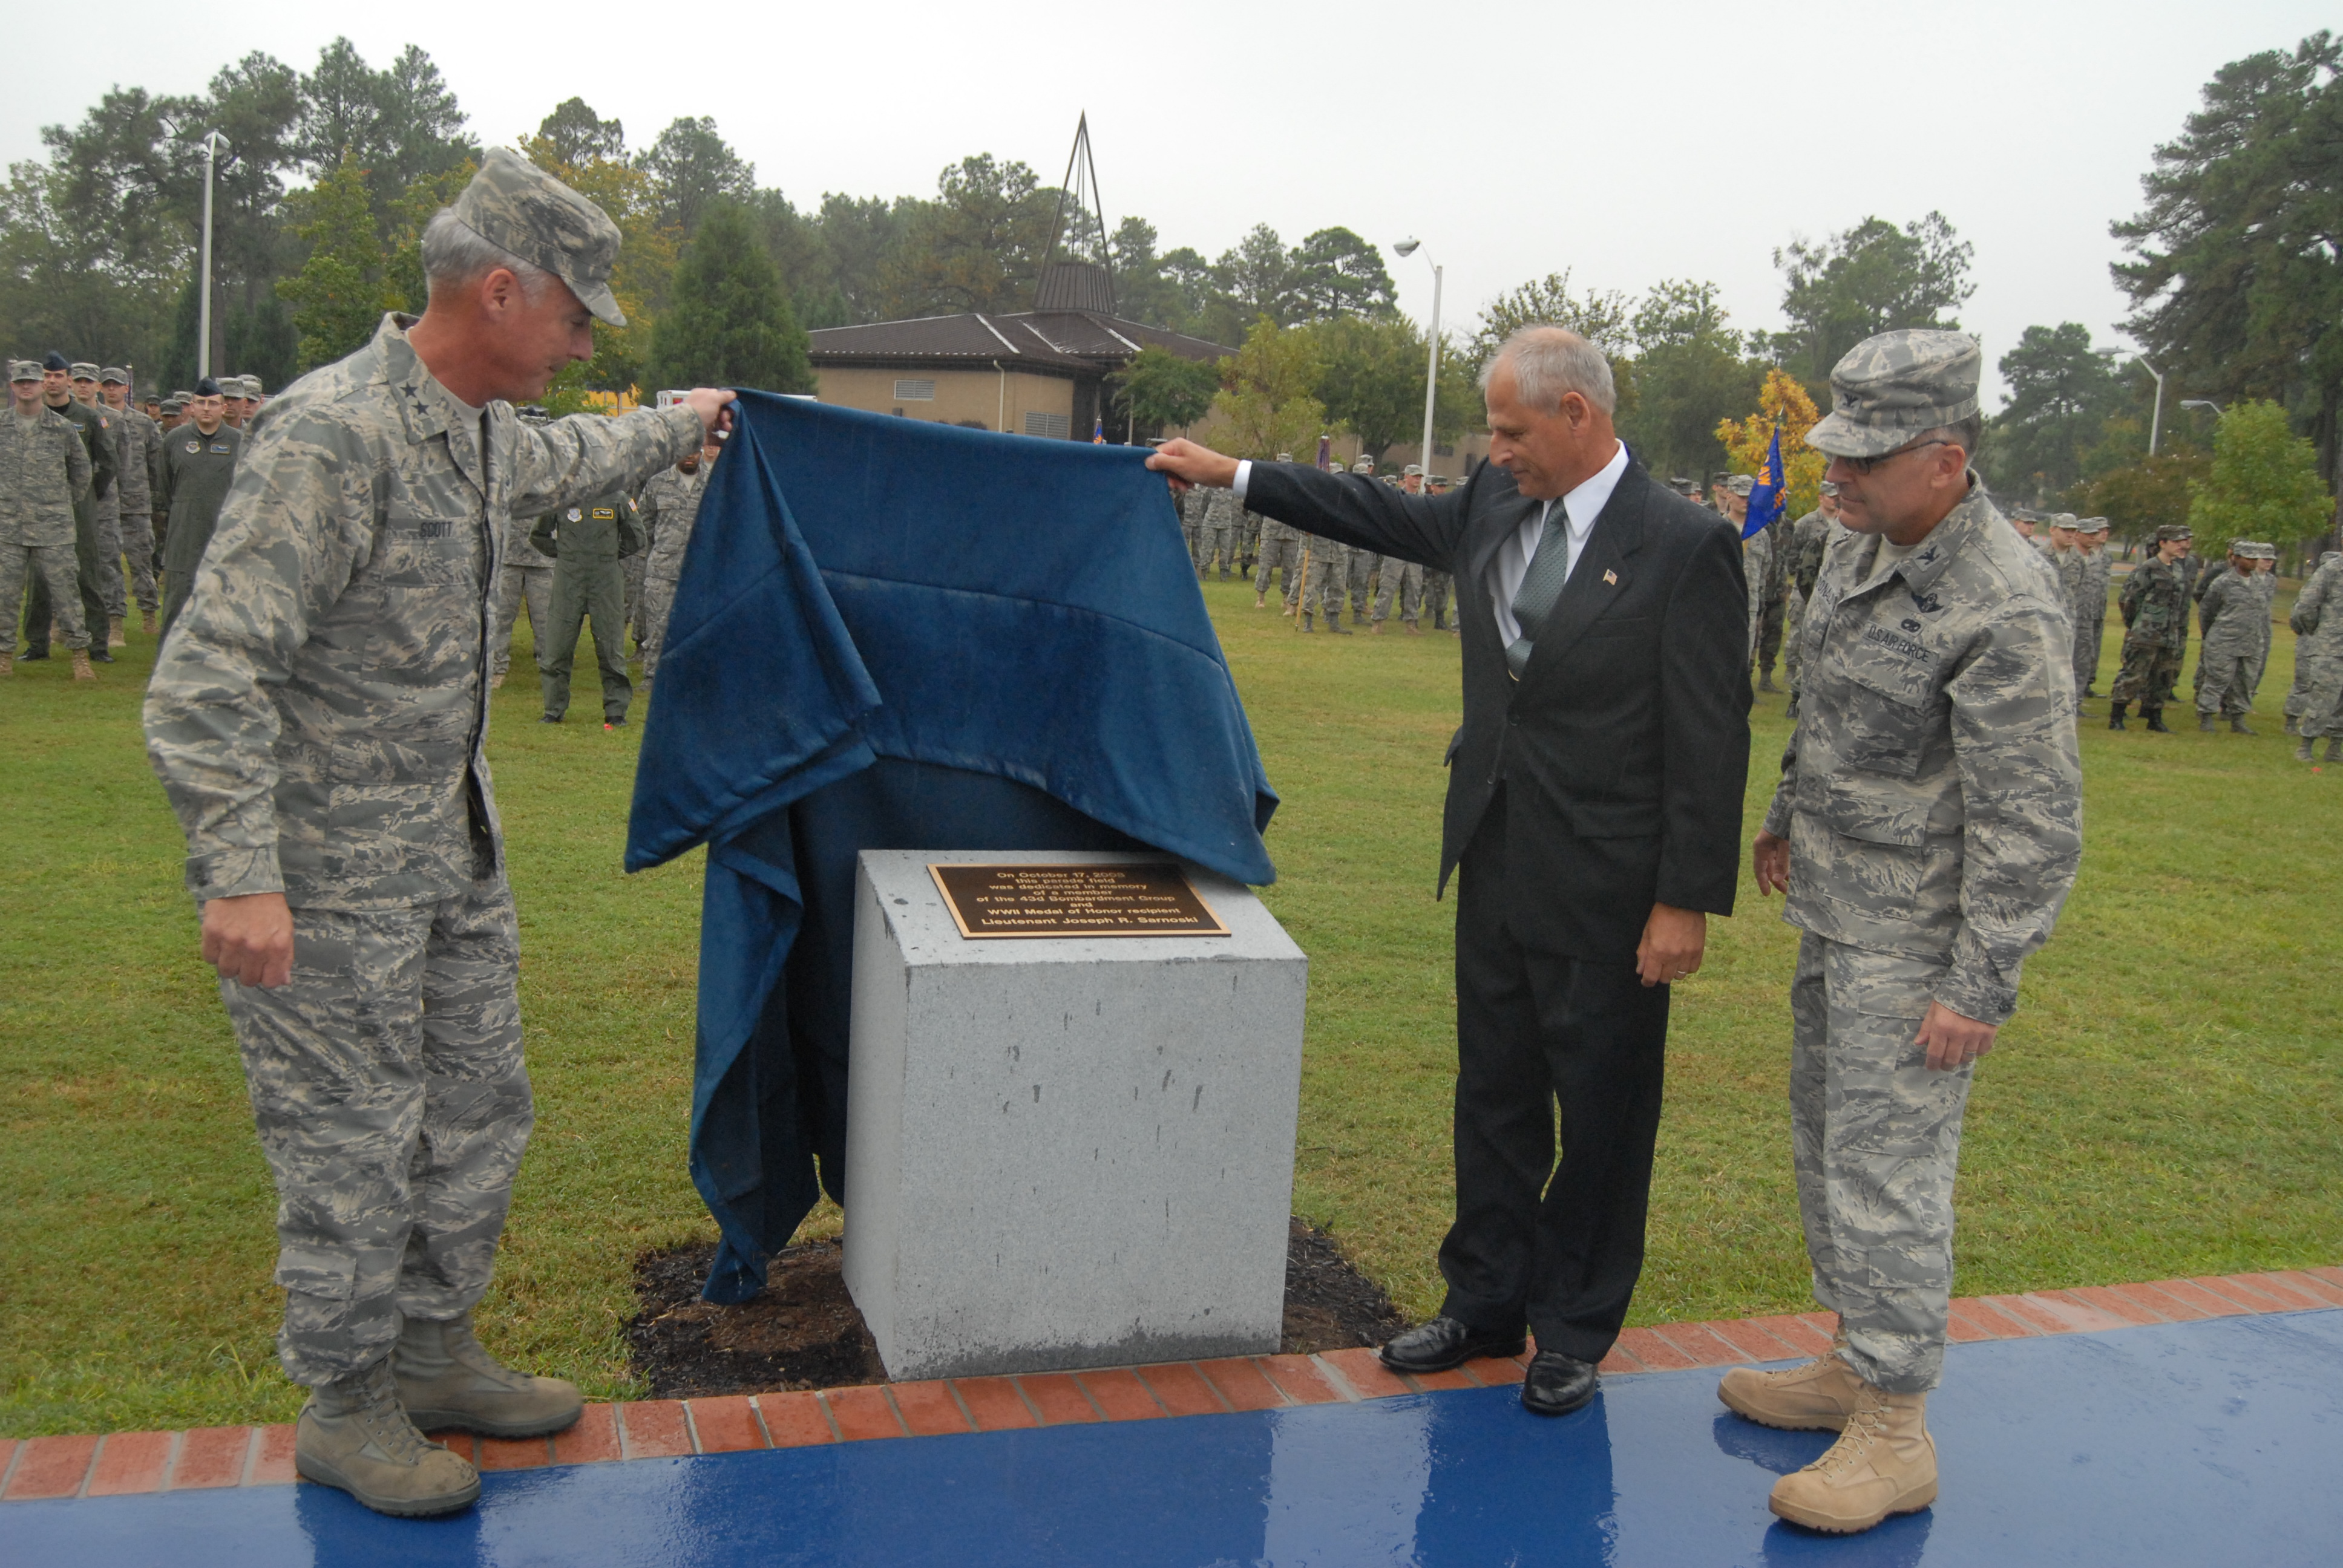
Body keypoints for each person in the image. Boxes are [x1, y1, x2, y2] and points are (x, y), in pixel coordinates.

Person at [143, 145, 736, 1518]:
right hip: (326, 879)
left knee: (475, 1110)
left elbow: (570, 452)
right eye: (574, 315)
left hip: (447, 856)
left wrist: (683, 420)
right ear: (499, 290)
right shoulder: (332, 435)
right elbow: (209, 675)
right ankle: (346, 1404)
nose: (583, 343)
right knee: (350, 1141)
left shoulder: (473, 425)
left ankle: (429, 1349)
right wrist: (239, 876)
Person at [1148, 325, 1751, 1420]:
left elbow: (1711, 735)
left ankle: (1573, 1327)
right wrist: (1232, 472)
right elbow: (1372, 511)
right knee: (1494, 1093)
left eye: (1512, 430)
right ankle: (1484, 1302)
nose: (1496, 449)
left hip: (1612, 886)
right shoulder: (1494, 503)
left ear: (1578, 414)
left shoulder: (1683, 542)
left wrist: (1683, 899)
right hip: (1496, 851)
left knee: (1603, 1113)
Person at [1733, 330, 2080, 1535]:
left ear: (1943, 458)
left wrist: (1978, 982)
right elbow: (1826, 702)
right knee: (1828, 1146)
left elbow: (2032, 816)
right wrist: (1786, 811)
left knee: (1890, 1174)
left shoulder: (2003, 599)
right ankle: (1852, 1361)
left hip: (1919, 942)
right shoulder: (1857, 543)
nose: (1835, 480)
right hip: (1838, 907)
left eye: (1863, 461)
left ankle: (1894, 1428)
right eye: (1834, 455)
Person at [1, 359, 97, 679]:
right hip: (9, 527)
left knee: (67, 594)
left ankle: (80, 656)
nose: (26, 387)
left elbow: (82, 471)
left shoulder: (61, 427)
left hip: (54, 528)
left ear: (42, 385)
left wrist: (61, 503)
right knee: (5, 595)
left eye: (32, 381)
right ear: (13, 387)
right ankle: (3, 657)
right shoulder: (2, 425)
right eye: (20, 382)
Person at [21, 353, 117, 666]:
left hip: (78, 506)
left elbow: (108, 461)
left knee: (87, 572)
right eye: (47, 376)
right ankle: (37, 643)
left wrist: (87, 494)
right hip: (39, 506)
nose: (52, 381)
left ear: (69, 381)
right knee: (39, 578)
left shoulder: (88, 417)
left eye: (58, 376)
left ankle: (98, 643)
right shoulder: (32, 415)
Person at [529, 484, 643, 728]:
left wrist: (608, 555)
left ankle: (616, 711)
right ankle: (553, 709)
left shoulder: (618, 498)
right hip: (569, 579)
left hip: (606, 581)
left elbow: (637, 538)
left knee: (611, 648)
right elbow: (538, 535)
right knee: (558, 646)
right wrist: (565, 553)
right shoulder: (560, 497)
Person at [154, 381, 243, 635]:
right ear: (191, 407)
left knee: (224, 604)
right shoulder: (174, 440)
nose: (206, 408)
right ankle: (171, 655)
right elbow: (165, 487)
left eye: (213, 404)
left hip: (224, 534)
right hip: (184, 534)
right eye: (201, 403)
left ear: (223, 408)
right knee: (178, 601)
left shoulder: (239, 441)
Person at [487, 407, 560, 690]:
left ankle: (548, 670)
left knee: (546, 620)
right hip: (508, 555)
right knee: (501, 617)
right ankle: (496, 668)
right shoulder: (504, 467)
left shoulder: (553, 471)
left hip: (543, 558)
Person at [636, 439, 718, 690]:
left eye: (695, 452)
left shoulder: (715, 483)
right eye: (685, 452)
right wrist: (664, 544)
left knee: (699, 626)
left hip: (701, 571)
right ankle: (653, 677)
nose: (690, 457)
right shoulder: (658, 483)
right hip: (663, 571)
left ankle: (695, 679)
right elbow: (643, 522)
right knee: (658, 627)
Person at [70, 362, 133, 647]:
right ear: (71, 383)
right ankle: (63, 623)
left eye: (89, 381)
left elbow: (121, 464)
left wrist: (97, 491)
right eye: (78, 380)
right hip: (68, 503)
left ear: (97, 386)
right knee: (66, 565)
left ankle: (115, 623)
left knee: (108, 563)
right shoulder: (60, 416)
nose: (83, 386)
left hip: (104, 501)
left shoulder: (115, 420)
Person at [2109, 525, 2193, 731]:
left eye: (2181, 542)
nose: (2180, 546)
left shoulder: (2178, 569)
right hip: (2147, 632)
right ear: (2162, 543)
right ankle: (2117, 717)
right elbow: (2130, 599)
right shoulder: (2149, 568)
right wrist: (2137, 624)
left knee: (2163, 677)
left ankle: (2154, 718)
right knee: (2134, 674)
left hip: (2169, 633)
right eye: (2175, 542)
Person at [101, 368, 164, 635]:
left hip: (136, 505)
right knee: (108, 567)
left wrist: (157, 501)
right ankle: (114, 621)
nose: (112, 389)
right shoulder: (97, 419)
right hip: (105, 504)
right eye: (107, 385)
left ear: (126, 389)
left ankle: (149, 615)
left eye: (116, 385)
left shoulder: (144, 423)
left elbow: (157, 465)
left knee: (142, 564)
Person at [1781, 481, 1841, 718]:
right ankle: (1795, 697)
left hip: (1838, 601)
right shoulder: (1813, 530)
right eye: (1831, 497)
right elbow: (1802, 568)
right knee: (1806, 645)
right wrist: (1814, 600)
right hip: (1816, 596)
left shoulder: (1854, 533)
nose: (1835, 501)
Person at [2194, 543, 2263, 733]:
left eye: (2255, 559)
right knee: (2217, 680)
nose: (2253, 562)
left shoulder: (2259, 582)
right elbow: (2207, 610)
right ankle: (2207, 716)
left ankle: (2238, 719)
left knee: (2245, 683)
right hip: (2224, 641)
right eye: (2248, 558)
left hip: (2250, 643)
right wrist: (2211, 635)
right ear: (2237, 558)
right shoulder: (2223, 582)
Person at [2291, 549, 2343, 760]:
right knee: (2323, 698)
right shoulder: (2332, 570)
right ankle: (2306, 746)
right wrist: (2319, 632)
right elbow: (2306, 606)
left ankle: (2335, 748)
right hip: (2331, 648)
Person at [1371, 465, 1429, 632]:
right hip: (1396, 550)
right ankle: (1378, 621)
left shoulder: (1424, 500)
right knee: (1388, 586)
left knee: (1414, 587)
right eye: (1415, 476)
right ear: (1406, 477)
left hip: (1415, 550)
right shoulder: (1396, 497)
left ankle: (1411, 623)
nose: (1417, 480)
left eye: (1419, 477)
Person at [1251, 452, 1300, 608]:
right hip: (1271, 531)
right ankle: (1261, 597)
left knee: (1290, 568)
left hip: (1291, 533)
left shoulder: (1296, 486)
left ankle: (1287, 598)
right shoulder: (1268, 484)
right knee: (1265, 566)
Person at [2073, 518, 2112, 701]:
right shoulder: (2073, 558)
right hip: (2073, 615)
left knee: (2086, 656)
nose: (2094, 537)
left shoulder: (2099, 559)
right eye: (2090, 534)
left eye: (2095, 534)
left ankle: (2079, 696)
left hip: (2093, 613)